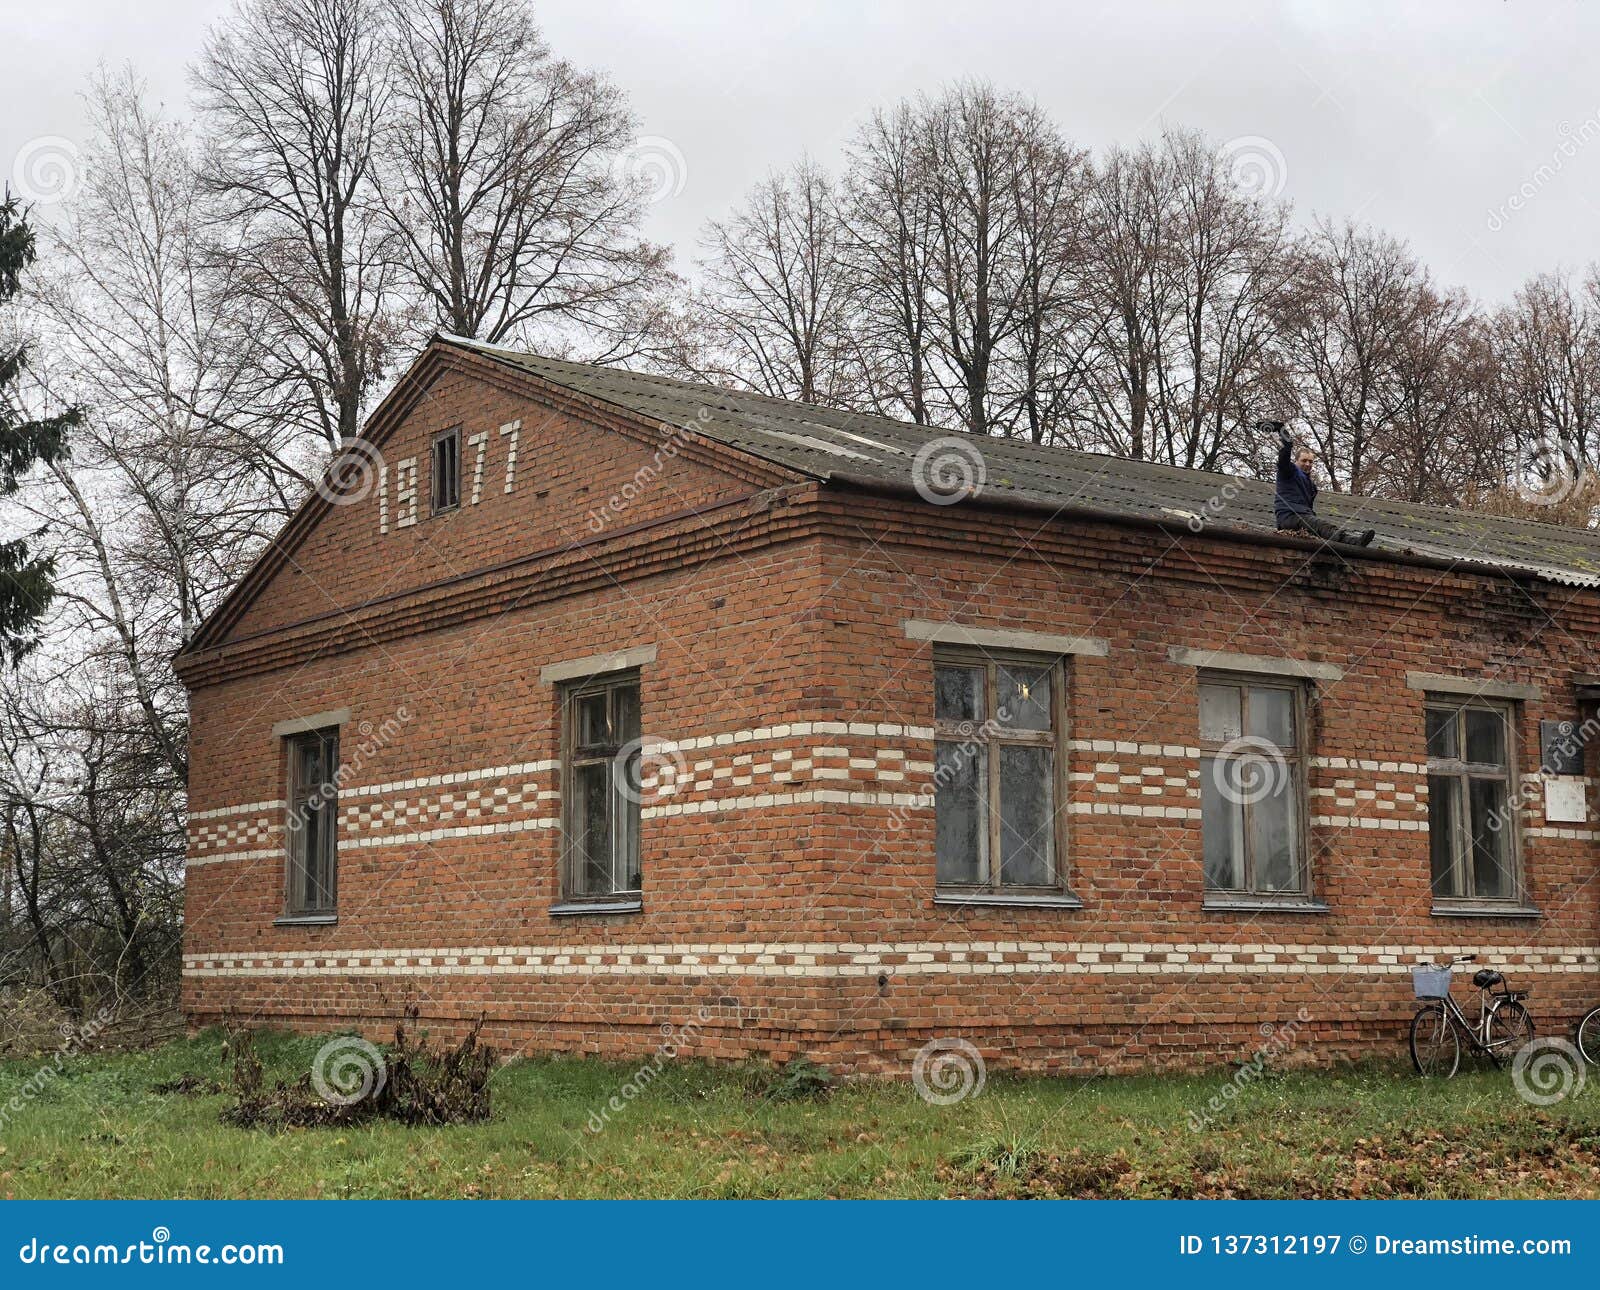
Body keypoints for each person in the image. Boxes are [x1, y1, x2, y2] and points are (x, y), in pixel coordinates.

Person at [1264, 421, 1375, 546]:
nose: (1307, 464)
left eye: (1310, 462)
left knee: (1319, 531)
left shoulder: (1311, 486)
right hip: (1290, 517)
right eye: (1304, 460)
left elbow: (1308, 510)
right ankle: (1353, 541)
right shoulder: (1289, 472)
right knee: (1321, 526)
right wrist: (1281, 430)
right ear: (1295, 461)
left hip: (1302, 518)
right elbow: (1285, 451)